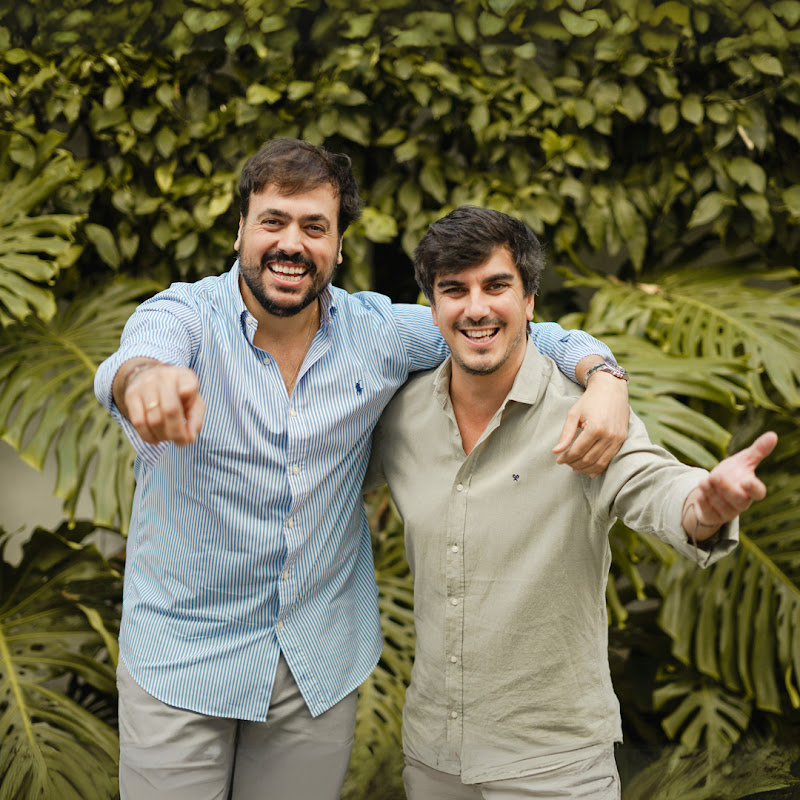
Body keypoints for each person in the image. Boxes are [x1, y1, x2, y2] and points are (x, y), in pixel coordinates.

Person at [94, 139, 632, 800]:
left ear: (339, 247)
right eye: (273, 221)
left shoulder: (377, 333)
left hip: (315, 669)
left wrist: (603, 376)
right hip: (181, 663)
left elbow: (506, 325)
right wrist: (145, 382)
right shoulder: (185, 317)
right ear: (240, 231)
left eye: (314, 227)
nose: (292, 243)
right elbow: (138, 358)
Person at [366, 205, 777, 800]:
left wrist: (705, 506)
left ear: (529, 300)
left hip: (554, 767)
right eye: (454, 290)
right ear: (432, 308)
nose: (476, 308)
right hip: (432, 759)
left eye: (496, 286)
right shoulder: (401, 416)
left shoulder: (586, 415)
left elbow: (651, 482)